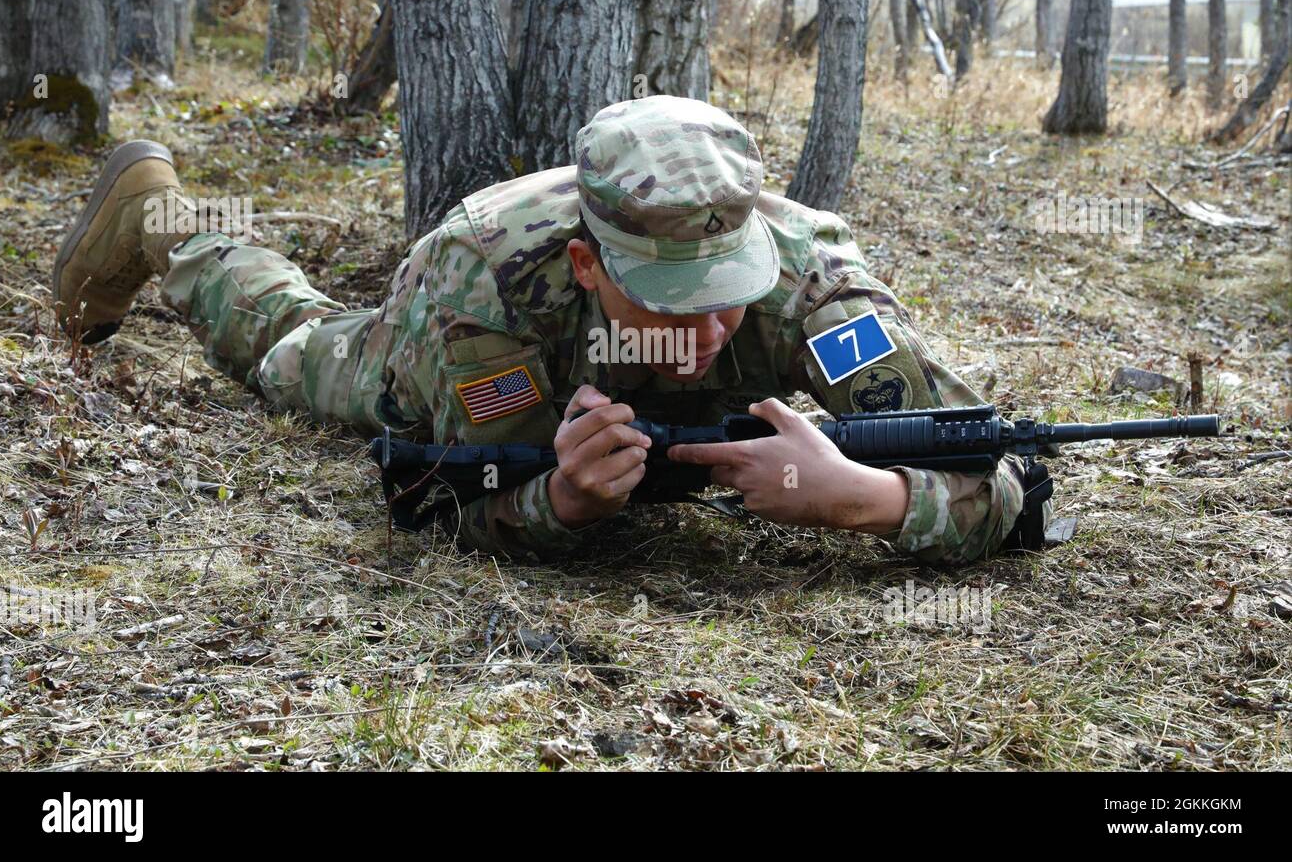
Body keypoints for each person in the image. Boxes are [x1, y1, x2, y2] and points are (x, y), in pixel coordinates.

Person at [53, 95, 1039, 563]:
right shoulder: (486, 293)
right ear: (587, 265)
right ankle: (165, 222)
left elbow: (1004, 473)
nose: (700, 332)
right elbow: (439, 499)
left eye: (723, 293)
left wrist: (859, 497)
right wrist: (559, 502)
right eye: (663, 297)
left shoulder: (818, 291)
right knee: (292, 347)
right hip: (468, 318)